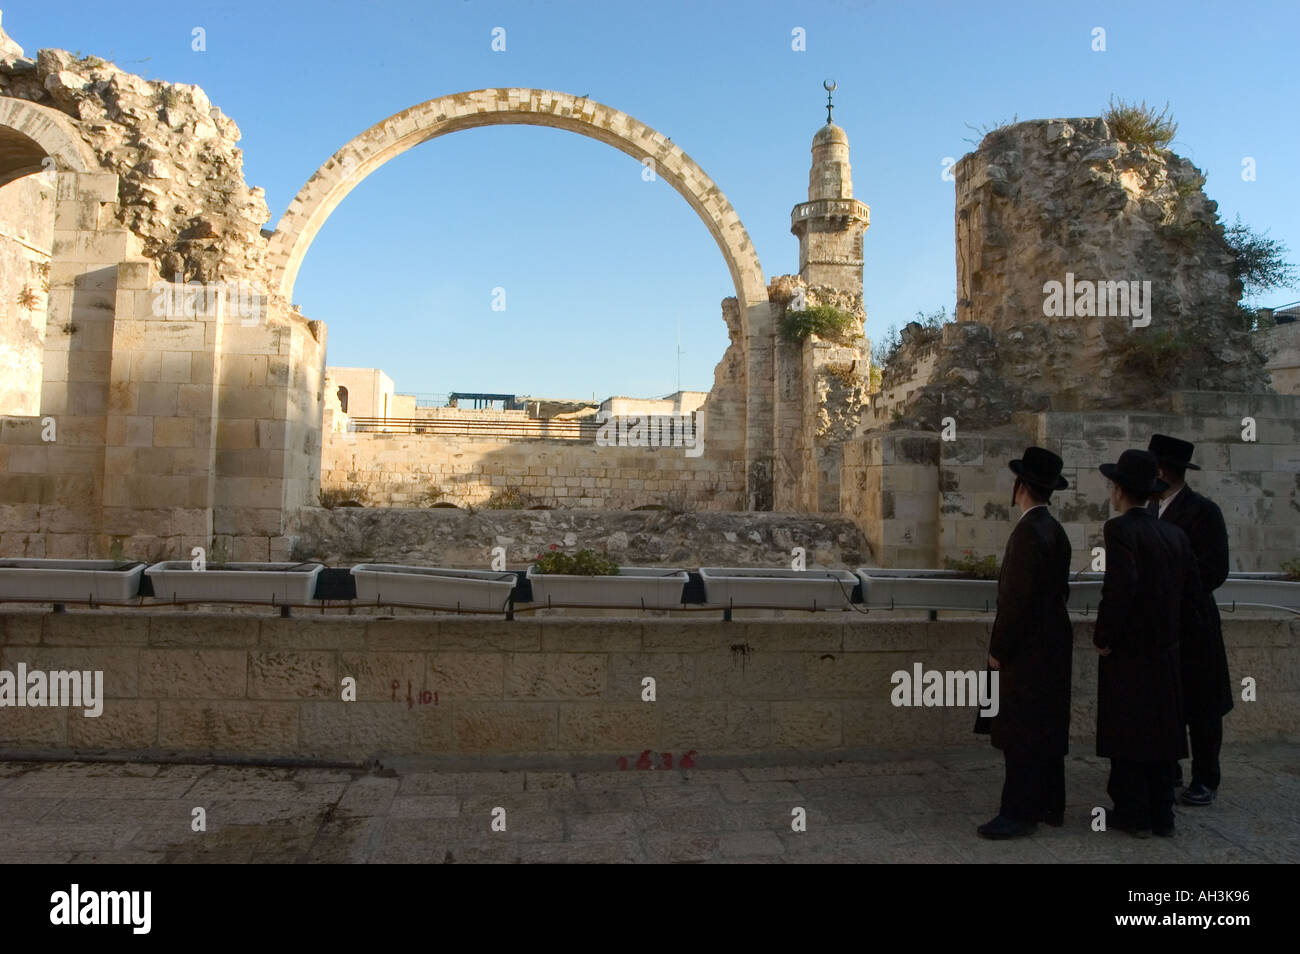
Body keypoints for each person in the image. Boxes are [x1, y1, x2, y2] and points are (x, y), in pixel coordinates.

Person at [1093, 449, 1200, 838]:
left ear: (1120, 491)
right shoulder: (1175, 534)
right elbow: (1191, 594)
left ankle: (1133, 813)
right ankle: (1162, 814)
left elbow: (1119, 589)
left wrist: (1104, 637)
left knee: (1129, 735)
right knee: (1161, 737)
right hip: (1166, 652)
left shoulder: (1120, 530)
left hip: (1131, 653)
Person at [976, 447, 1073, 840]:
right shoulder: (1056, 530)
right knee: (1046, 729)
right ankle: (1051, 805)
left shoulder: (1028, 533)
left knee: (1020, 734)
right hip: (1053, 644)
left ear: (1020, 487)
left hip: (1027, 651)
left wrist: (998, 649)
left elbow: (1015, 601)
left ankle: (1018, 812)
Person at [1147, 434, 1233, 807]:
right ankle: (1170, 766)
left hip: (1193, 624)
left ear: (1163, 471)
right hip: (1163, 626)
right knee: (1168, 700)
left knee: (1202, 705)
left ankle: (1205, 776)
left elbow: (1214, 569)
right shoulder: (1152, 508)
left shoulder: (1203, 511)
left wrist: (1171, 589)